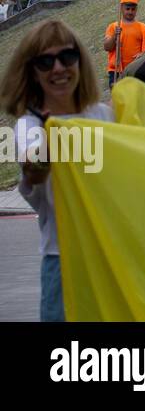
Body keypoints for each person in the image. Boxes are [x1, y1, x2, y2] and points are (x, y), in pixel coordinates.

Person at [2, 20, 114, 321]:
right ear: (31, 71)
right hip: (64, 263)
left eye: (67, 57)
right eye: (45, 61)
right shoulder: (31, 125)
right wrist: (53, 137)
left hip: (114, 257)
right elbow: (33, 170)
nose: (58, 68)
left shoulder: (105, 116)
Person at [102, 0, 145, 88]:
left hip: (136, 69)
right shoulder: (113, 27)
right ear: (121, 9)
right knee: (118, 100)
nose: (130, 12)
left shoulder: (144, 28)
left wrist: (144, 53)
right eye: (127, 9)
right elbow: (107, 47)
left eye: (133, 9)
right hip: (116, 71)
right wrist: (115, 36)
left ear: (136, 10)